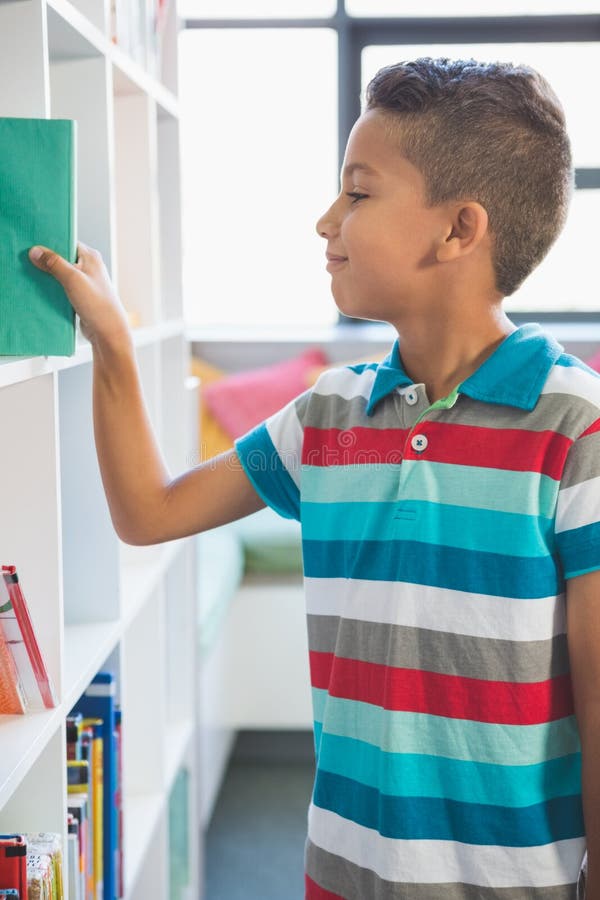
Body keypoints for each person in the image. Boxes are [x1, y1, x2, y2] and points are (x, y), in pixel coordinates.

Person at [28, 57, 600, 900]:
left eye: (359, 193)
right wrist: (112, 340)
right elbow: (147, 513)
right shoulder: (328, 414)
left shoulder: (574, 426)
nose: (325, 219)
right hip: (341, 873)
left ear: (459, 229)